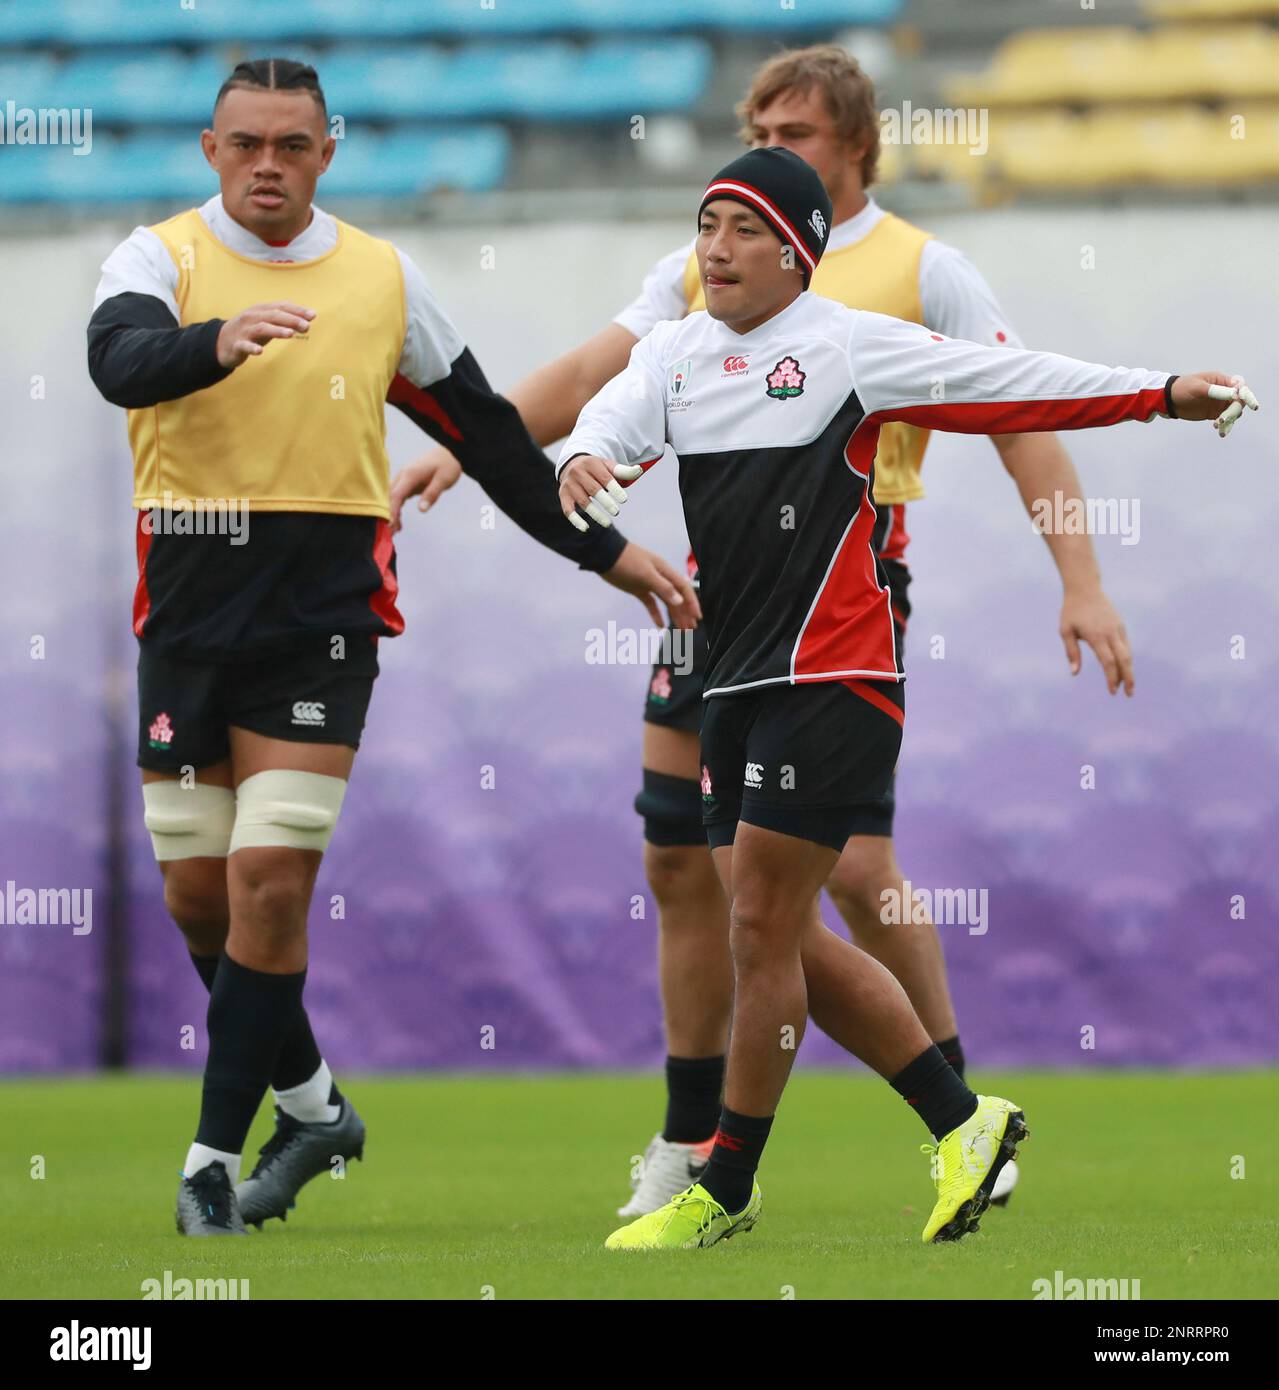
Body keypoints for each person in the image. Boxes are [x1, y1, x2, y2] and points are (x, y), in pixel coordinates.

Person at [389, 45, 1143, 1218]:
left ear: (855, 149)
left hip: (844, 603)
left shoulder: (919, 270)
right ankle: (701, 1141)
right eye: (759, 126)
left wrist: (1080, 579)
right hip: (710, 610)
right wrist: (480, 445)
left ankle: (950, 1112)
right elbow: (605, 369)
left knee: (849, 878)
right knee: (688, 871)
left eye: (795, 132)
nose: (770, 150)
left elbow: (1021, 420)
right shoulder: (710, 260)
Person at [555, 146, 1256, 1248]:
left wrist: (1160, 394)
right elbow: (606, 422)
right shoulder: (678, 354)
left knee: (758, 923)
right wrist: (579, 462)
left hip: (835, 673)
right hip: (731, 680)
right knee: (771, 937)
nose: (716, 249)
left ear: (798, 253)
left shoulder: (846, 344)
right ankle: (960, 1120)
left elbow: (1015, 384)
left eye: (744, 231)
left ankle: (721, 1188)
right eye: (706, 225)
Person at [86, 57, 697, 1237]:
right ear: (212, 149)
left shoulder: (380, 279)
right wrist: (212, 342)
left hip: (321, 629)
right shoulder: (155, 260)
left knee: (270, 881)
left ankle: (213, 1162)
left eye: (293, 145)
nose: (269, 164)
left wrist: (610, 554)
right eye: (247, 143)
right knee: (198, 898)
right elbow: (118, 365)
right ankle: (313, 1106)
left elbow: (493, 439)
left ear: (330, 150)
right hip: (188, 627)